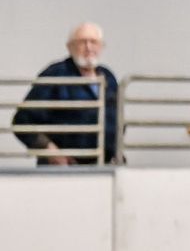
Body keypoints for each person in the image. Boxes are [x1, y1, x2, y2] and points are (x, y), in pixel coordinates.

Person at [11, 23, 120, 165]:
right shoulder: (56, 74)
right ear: (70, 47)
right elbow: (22, 121)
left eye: (93, 42)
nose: (89, 47)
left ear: (101, 47)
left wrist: (117, 150)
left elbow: (117, 119)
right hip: (64, 170)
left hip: (103, 167)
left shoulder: (108, 77)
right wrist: (49, 150)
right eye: (82, 42)